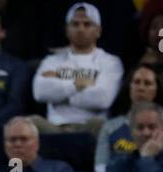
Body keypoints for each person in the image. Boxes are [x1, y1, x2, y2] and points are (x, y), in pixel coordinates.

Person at [31, 3, 124, 131]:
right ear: (67, 30)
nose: (80, 29)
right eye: (75, 24)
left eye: (87, 24)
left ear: (98, 31)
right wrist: (78, 85)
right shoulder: (52, 61)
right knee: (29, 123)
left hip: (90, 127)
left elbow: (103, 99)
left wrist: (60, 93)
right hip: (55, 126)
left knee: (99, 124)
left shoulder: (110, 62)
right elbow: (39, 92)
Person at [94, 65, 163, 172]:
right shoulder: (110, 126)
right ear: (129, 87)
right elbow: (100, 167)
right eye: (136, 82)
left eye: (147, 83)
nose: (141, 88)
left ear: (156, 90)